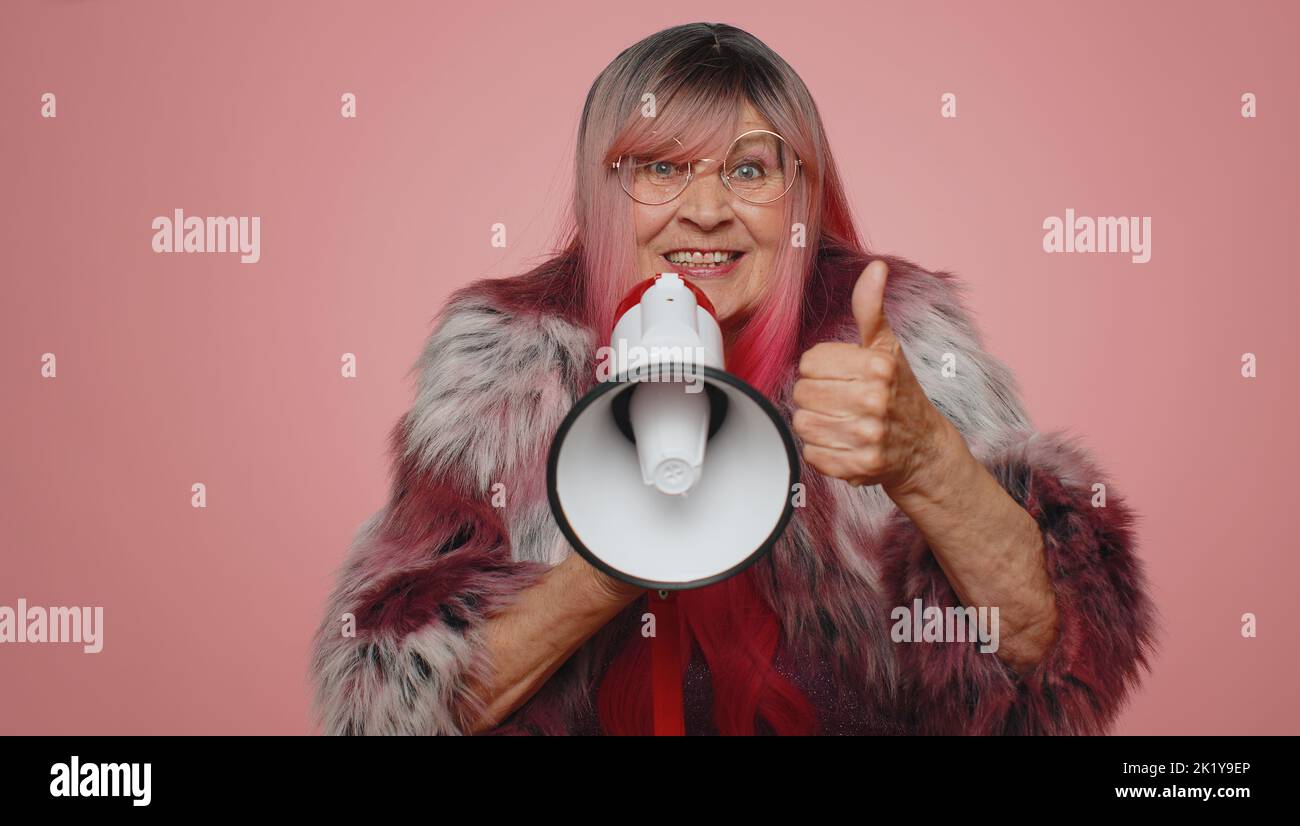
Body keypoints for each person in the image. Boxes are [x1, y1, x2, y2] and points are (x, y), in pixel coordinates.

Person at [310, 22, 1156, 735]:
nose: (708, 211)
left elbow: (1052, 663)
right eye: (662, 168)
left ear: (798, 194)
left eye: (749, 171)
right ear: (606, 191)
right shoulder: (510, 361)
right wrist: (625, 546)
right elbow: (392, 706)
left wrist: (928, 460)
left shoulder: (890, 332)